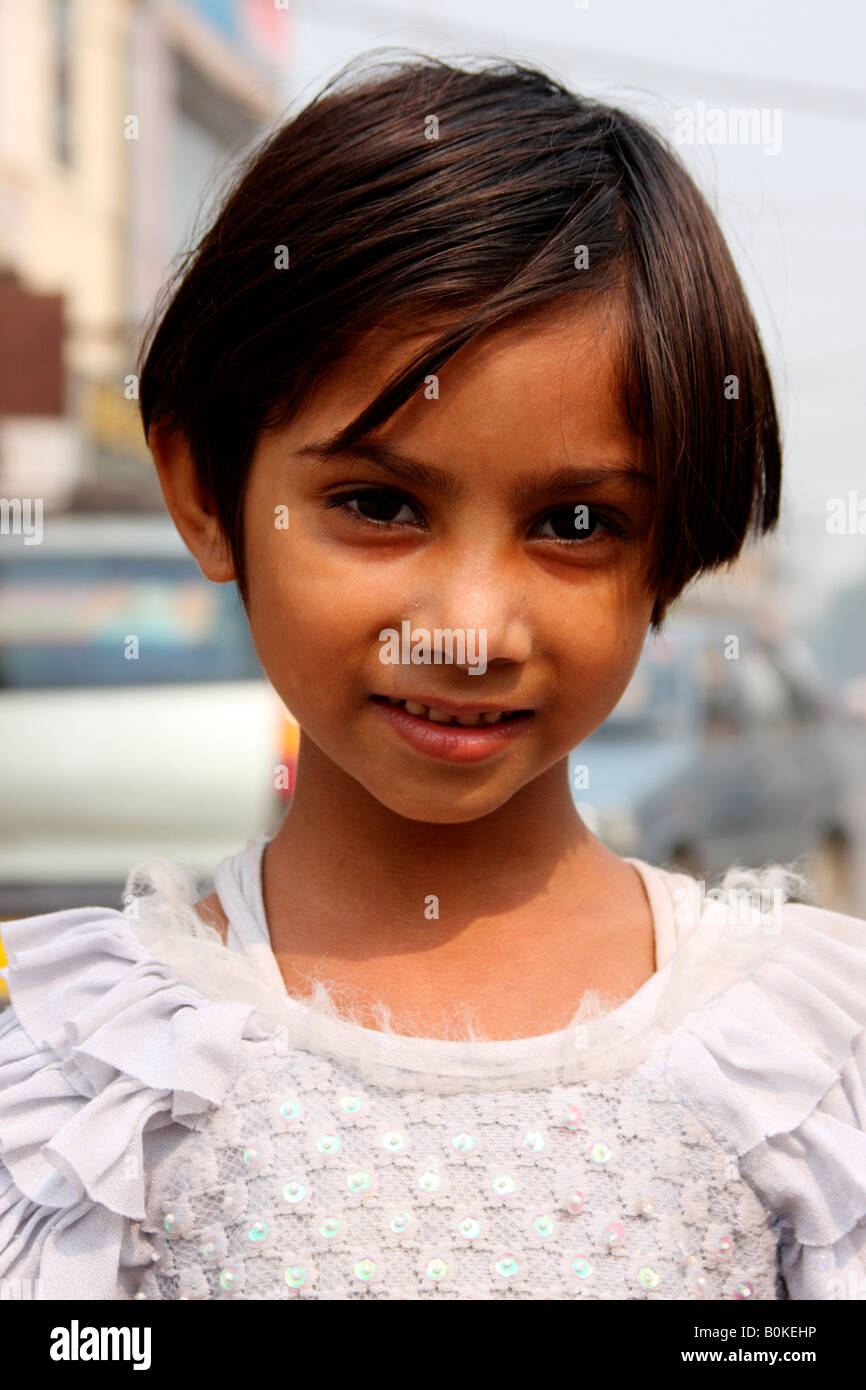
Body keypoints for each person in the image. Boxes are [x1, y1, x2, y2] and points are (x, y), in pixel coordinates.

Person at [1, 51, 864, 1302]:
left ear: (671, 542)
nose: (469, 629)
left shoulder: (805, 1060)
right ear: (204, 491)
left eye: (575, 525)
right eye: (378, 503)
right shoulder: (82, 1079)